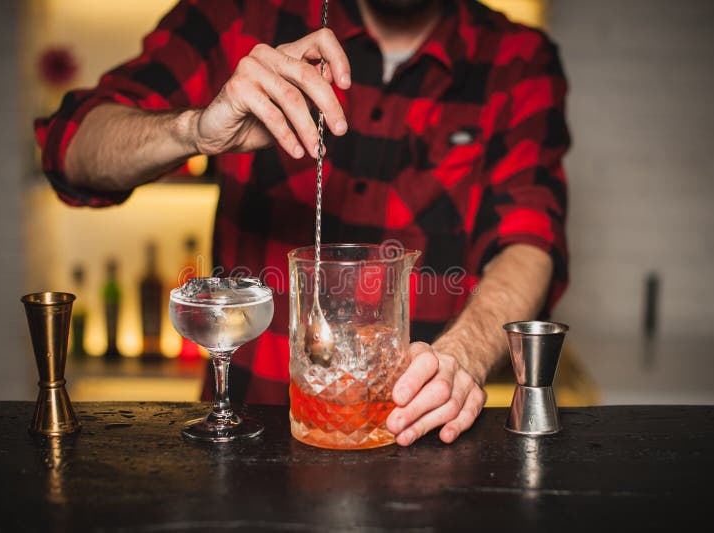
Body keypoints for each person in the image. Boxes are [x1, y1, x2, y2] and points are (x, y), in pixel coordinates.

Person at [35, 0, 570, 446]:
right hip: (246, 443)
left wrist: (465, 356)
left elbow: (530, 239)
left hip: (421, 443)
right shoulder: (241, 15)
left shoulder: (516, 57)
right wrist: (195, 129)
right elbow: (71, 147)